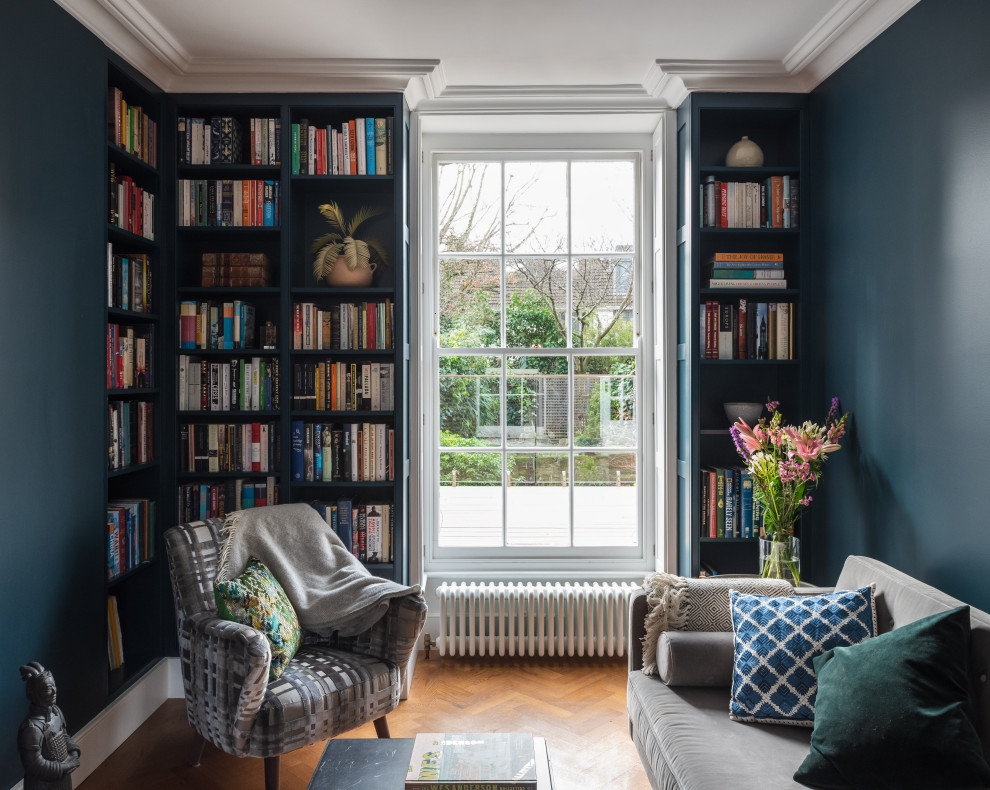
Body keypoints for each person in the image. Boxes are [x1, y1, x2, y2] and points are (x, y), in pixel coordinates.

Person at [18, 662, 81, 790]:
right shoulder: (31, 728)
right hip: (42, 785)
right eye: (47, 688)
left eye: (54, 685)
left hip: (62, 779)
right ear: (34, 693)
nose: (54, 691)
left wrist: (73, 750)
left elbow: (63, 736)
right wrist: (64, 767)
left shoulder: (56, 712)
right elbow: (34, 765)